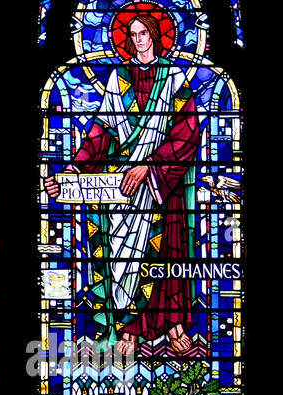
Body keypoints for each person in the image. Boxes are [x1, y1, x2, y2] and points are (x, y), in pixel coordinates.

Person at [45, 9, 201, 355]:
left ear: (155, 36)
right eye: (131, 35)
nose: (136, 40)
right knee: (121, 258)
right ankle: (128, 330)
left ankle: (172, 324)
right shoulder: (119, 80)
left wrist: (150, 165)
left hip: (160, 185)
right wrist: (75, 169)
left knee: (165, 254)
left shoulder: (174, 80)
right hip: (122, 188)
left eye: (142, 33)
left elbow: (187, 134)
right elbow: (101, 134)